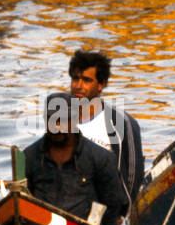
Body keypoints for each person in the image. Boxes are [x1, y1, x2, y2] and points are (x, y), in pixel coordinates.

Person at [48, 49, 145, 208]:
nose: (79, 86)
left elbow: (132, 175)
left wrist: (121, 212)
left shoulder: (119, 122)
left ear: (101, 85)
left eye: (86, 80)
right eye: (75, 79)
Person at [23, 94, 129, 225]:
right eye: (52, 120)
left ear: (75, 119)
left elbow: (113, 206)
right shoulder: (30, 157)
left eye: (62, 120)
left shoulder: (101, 158)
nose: (56, 126)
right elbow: (23, 201)